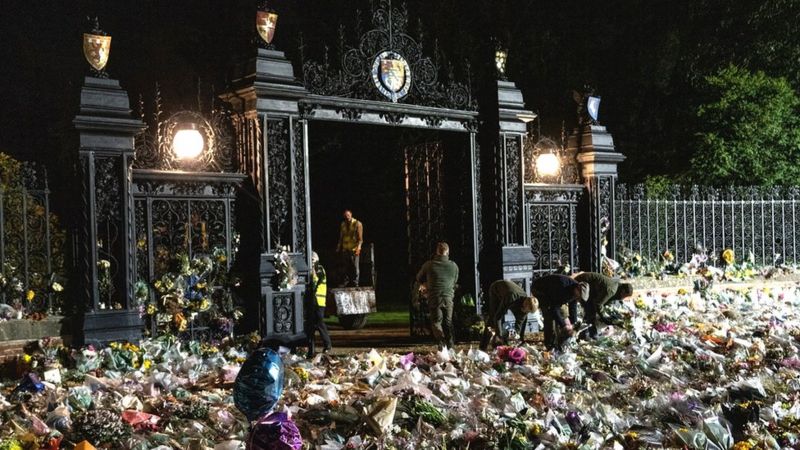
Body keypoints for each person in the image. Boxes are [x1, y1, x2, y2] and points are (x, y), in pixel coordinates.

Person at [416, 242, 459, 350]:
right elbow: (454, 281)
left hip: (434, 298)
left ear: (437, 252)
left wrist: (426, 284)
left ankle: (441, 341)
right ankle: (450, 344)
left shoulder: (429, 265)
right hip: (448, 298)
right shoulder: (453, 266)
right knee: (448, 322)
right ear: (447, 252)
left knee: (436, 322)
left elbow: (418, 278)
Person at [532, 274, 589, 351]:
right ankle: (549, 344)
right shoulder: (563, 287)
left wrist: (574, 324)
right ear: (578, 288)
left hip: (554, 295)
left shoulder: (575, 292)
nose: (578, 299)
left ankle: (560, 341)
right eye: (579, 296)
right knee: (549, 316)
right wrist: (563, 325)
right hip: (540, 290)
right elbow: (554, 308)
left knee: (563, 314)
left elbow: (573, 307)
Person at [480, 279, 539, 350]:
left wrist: (516, 338)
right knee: (493, 318)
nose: (527, 313)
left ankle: (505, 343)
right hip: (496, 290)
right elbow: (498, 317)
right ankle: (483, 346)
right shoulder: (511, 297)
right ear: (525, 304)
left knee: (517, 324)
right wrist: (499, 335)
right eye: (527, 311)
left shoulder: (525, 308)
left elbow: (518, 327)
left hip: (511, 296)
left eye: (528, 312)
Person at [574, 271, 633, 339]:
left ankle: (586, 331)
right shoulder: (612, 290)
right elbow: (598, 304)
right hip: (582, 284)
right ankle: (585, 332)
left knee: (592, 310)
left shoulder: (616, 288)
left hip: (591, 288)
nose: (623, 298)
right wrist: (604, 317)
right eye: (625, 296)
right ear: (623, 291)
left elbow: (605, 301)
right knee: (591, 310)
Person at [306, 252, 332, 357]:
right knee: (312, 324)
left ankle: (328, 345)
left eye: (312, 260)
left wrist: (313, 271)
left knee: (319, 323)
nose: (311, 262)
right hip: (313, 300)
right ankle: (311, 347)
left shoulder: (319, 268)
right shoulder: (312, 268)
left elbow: (318, 280)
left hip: (319, 301)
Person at [336, 210, 363, 287]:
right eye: (345, 215)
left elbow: (360, 239)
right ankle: (345, 282)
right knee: (345, 267)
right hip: (345, 249)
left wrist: (359, 248)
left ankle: (355, 283)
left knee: (355, 267)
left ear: (351, 214)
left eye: (348, 215)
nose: (346, 216)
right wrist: (338, 247)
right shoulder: (343, 224)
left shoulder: (357, 223)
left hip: (354, 249)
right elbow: (341, 237)